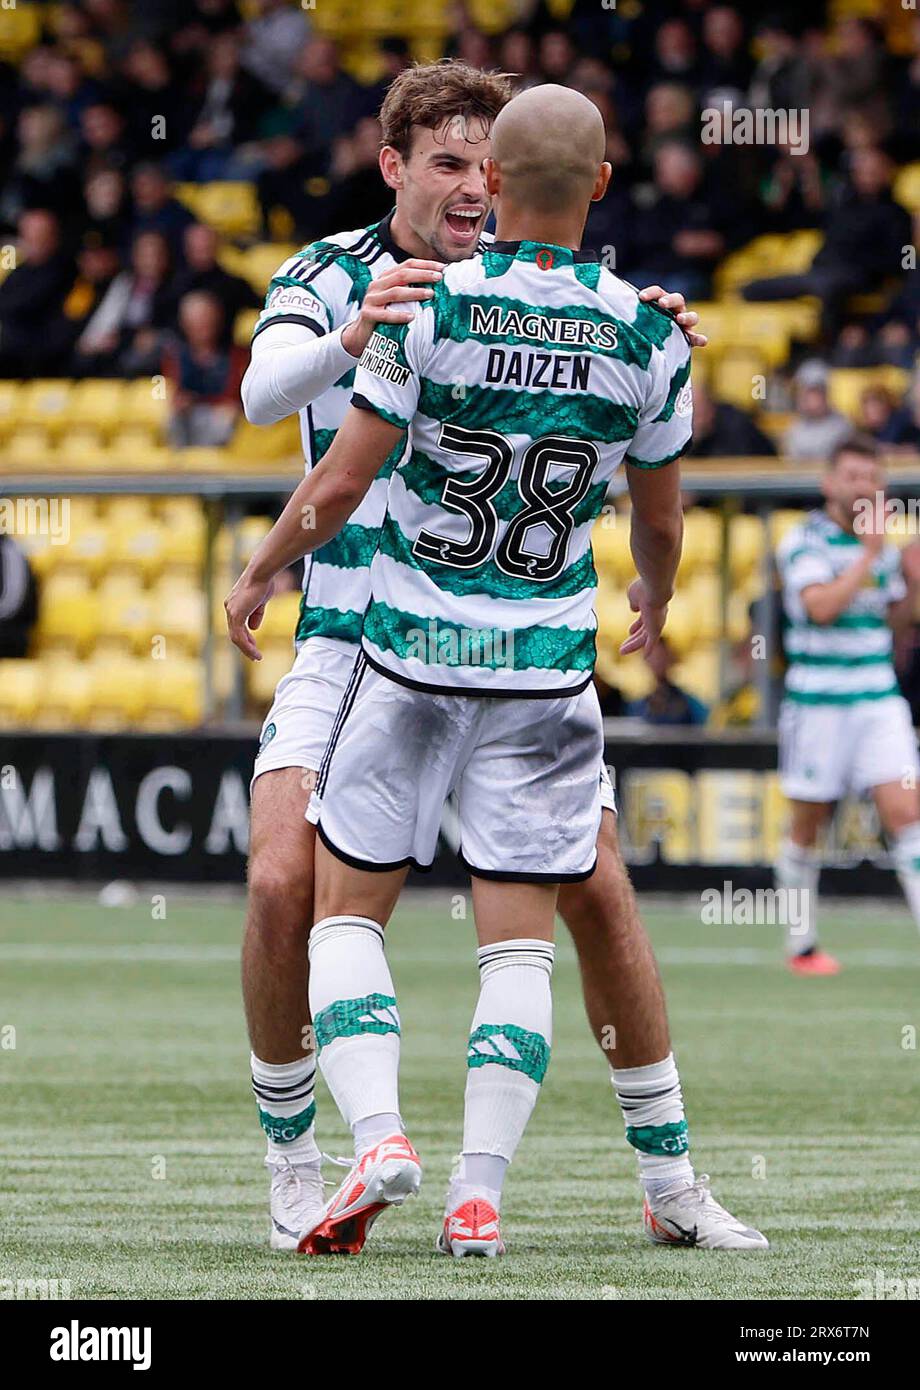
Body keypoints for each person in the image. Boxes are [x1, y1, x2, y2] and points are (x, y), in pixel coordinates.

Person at [228, 70, 766, 1258]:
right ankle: (297, 1162)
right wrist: (356, 326)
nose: (471, 187)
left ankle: (670, 1178)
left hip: (444, 637)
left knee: (603, 894)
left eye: (486, 166)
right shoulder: (328, 273)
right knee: (278, 884)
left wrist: (649, 322)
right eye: (446, 164)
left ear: (510, 176)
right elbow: (265, 393)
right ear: (393, 167)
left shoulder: (512, 295)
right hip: (352, 631)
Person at [774, 436, 920, 975]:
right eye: (853, 476)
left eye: (872, 478)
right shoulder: (802, 542)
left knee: (908, 814)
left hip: (878, 698)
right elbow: (821, 610)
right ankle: (801, 944)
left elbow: (893, 622)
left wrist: (911, 587)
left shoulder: (885, 547)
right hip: (818, 705)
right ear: (829, 483)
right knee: (808, 823)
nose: (864, 487)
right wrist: (871, 555)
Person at [627, 637, 709, 725]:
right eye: (652, 657)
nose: (657, 662)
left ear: (669, 658)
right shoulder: (638, 706)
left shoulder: (689, 703)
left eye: (660, 656)